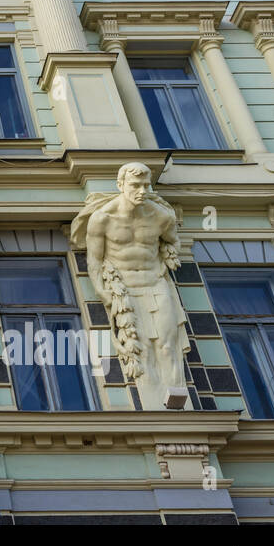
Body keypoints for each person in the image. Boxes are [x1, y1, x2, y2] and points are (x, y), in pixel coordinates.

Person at [71, 162, 189, 410]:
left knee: (168, 346)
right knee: (142, 349)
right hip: (125, 290)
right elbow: (94, 260)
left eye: (146, 185)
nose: (142, 191)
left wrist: (168, 256)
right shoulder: (102, 219)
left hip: (156, 284)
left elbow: (172, 243)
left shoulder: (161, 217)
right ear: (120, 185)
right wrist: (103, 291)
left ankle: (176, 400)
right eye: (135, 185)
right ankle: (155, 407)